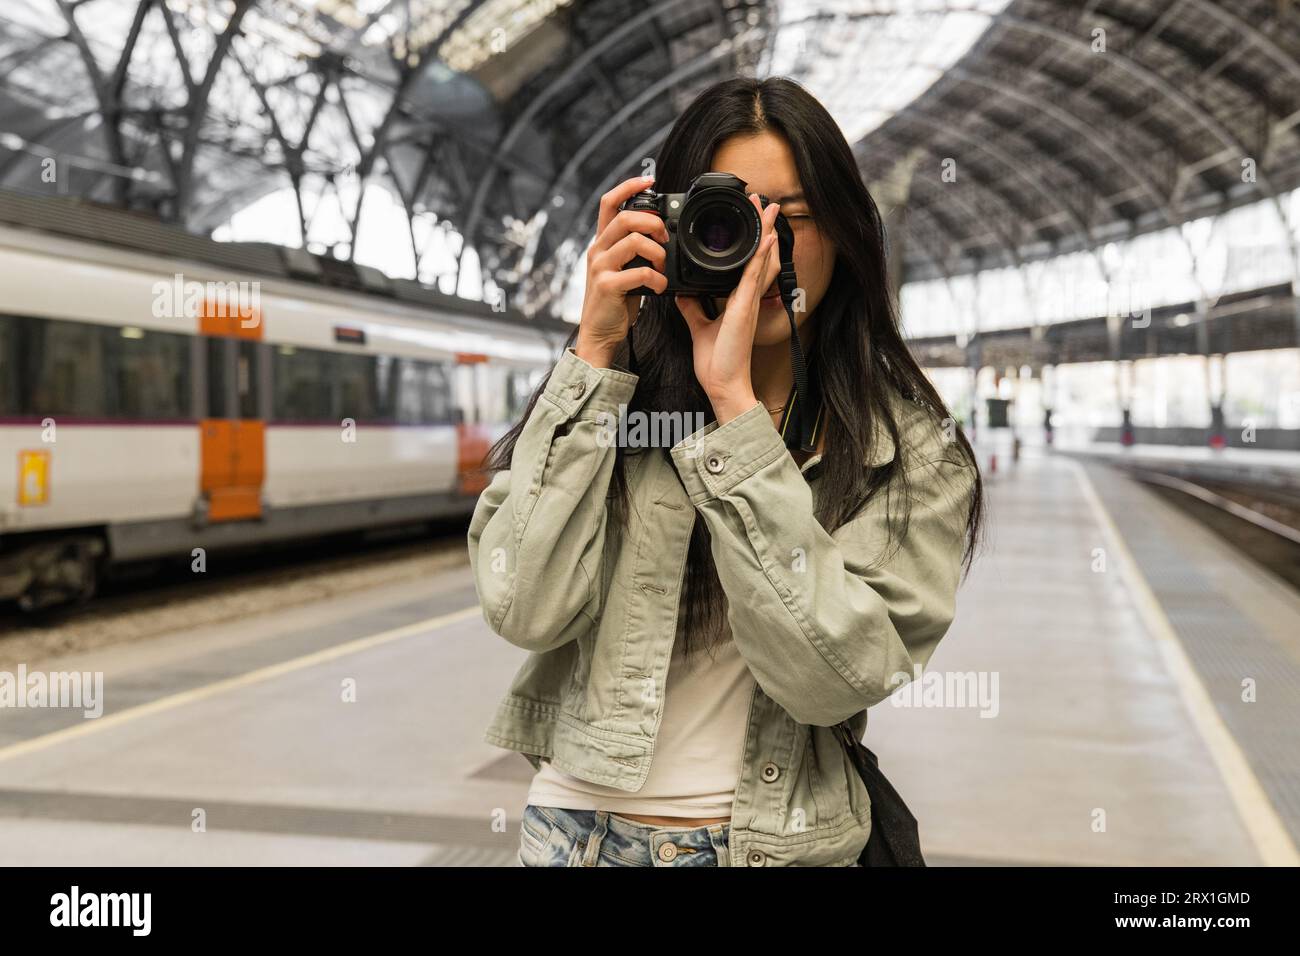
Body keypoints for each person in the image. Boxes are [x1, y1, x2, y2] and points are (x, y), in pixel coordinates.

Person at [468, 75, 983, 867]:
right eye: (726, 217)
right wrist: (594, 351)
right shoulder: (610, 400)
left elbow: (831, 679)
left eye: (793, 216)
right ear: (665, 229)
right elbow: (522, 607)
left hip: (766, 849)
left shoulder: (908, 447)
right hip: (570, 836)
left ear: (844, 232)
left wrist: (735, 410)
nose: (759, 246)